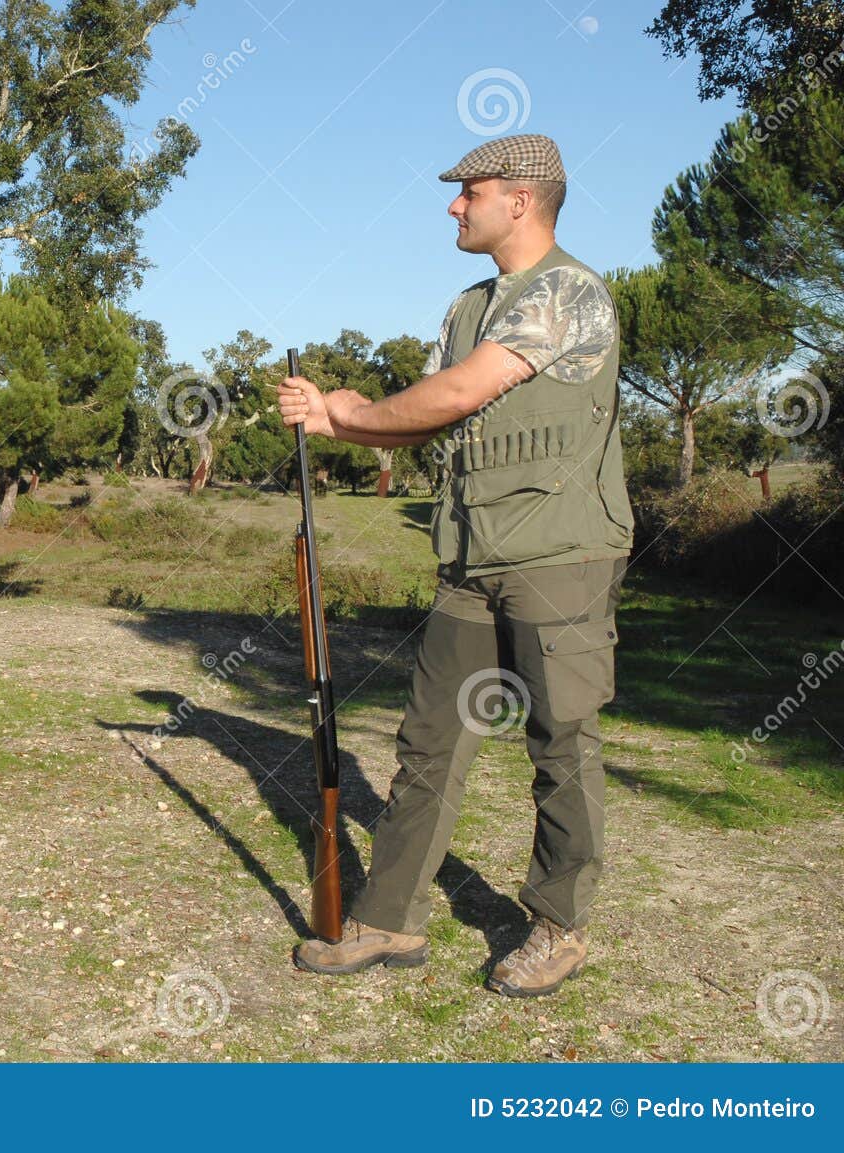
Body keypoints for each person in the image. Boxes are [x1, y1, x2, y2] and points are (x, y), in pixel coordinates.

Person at [278, 134, 634, 998]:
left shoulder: (569, 293)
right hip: (472, 554)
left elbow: (462, 390)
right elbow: (430, 415)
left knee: (561, 743)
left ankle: (558, 925)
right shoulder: (466, 306)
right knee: (430, 743)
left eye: (469, 191)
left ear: (520, 199)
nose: (453, 205)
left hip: (563, 554)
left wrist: (346, 416)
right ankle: (388, 917)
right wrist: (337, 413)